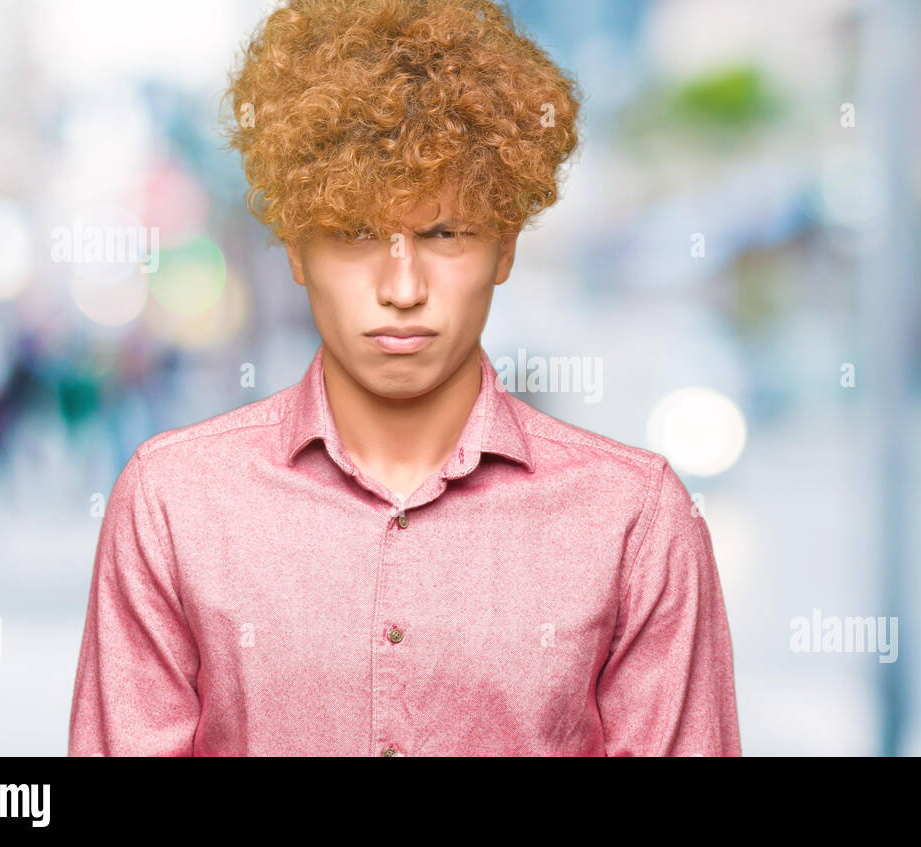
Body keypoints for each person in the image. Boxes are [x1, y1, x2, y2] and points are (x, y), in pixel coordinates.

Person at [68, 0, 741, 756]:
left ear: (506, 247)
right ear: (294, 249)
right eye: (355, 233)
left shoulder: (635, 521)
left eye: (445, 233)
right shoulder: (173, 504)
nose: (402, 285)